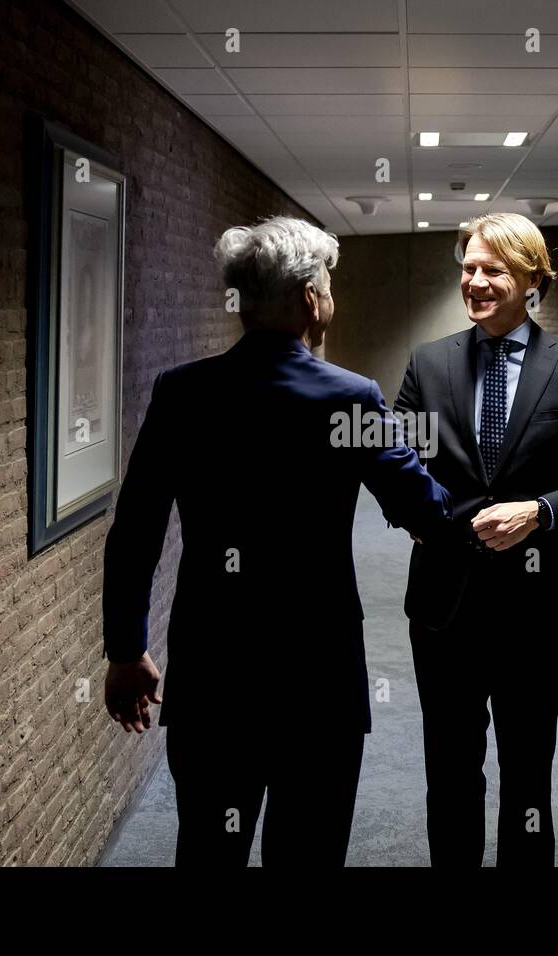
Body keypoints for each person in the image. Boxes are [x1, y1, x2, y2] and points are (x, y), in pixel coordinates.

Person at [101, 216, 452, 866]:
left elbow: (136, 531)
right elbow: (422, 511)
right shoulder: (351, 398)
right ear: (309, 298)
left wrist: (126, 650)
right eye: (327, 283)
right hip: (318, 681)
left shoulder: (181, 393)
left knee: (208, 851)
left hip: (212, 675)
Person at [394, 212, 558, 866]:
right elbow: (396, 461)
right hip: (444, 606)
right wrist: (420, 516)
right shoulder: (428, 364)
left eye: (491, 270)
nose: (473, 282)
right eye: (467, 268)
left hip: (537, 610)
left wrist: (542, 511)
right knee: (450, 772)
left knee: (528, 775)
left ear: (531, 279)